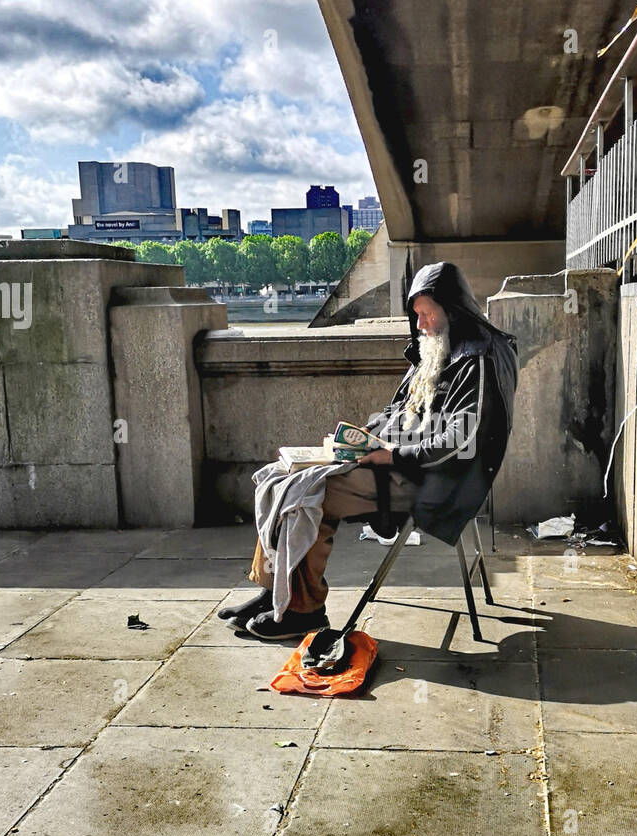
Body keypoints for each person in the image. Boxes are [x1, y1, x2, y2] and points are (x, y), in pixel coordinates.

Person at [219, 260, 519, 640]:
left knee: (308, 491)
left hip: (435, 479)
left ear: (452, 310)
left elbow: (460, 441)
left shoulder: (477, 358)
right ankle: (275, 592)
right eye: (418, 315)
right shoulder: (436, 348)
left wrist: (391, 454)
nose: (421, 323)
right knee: (282, 477)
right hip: (401, 463)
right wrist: (365, 436)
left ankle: (304, 611)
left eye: (428, 314)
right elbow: (399, 410)